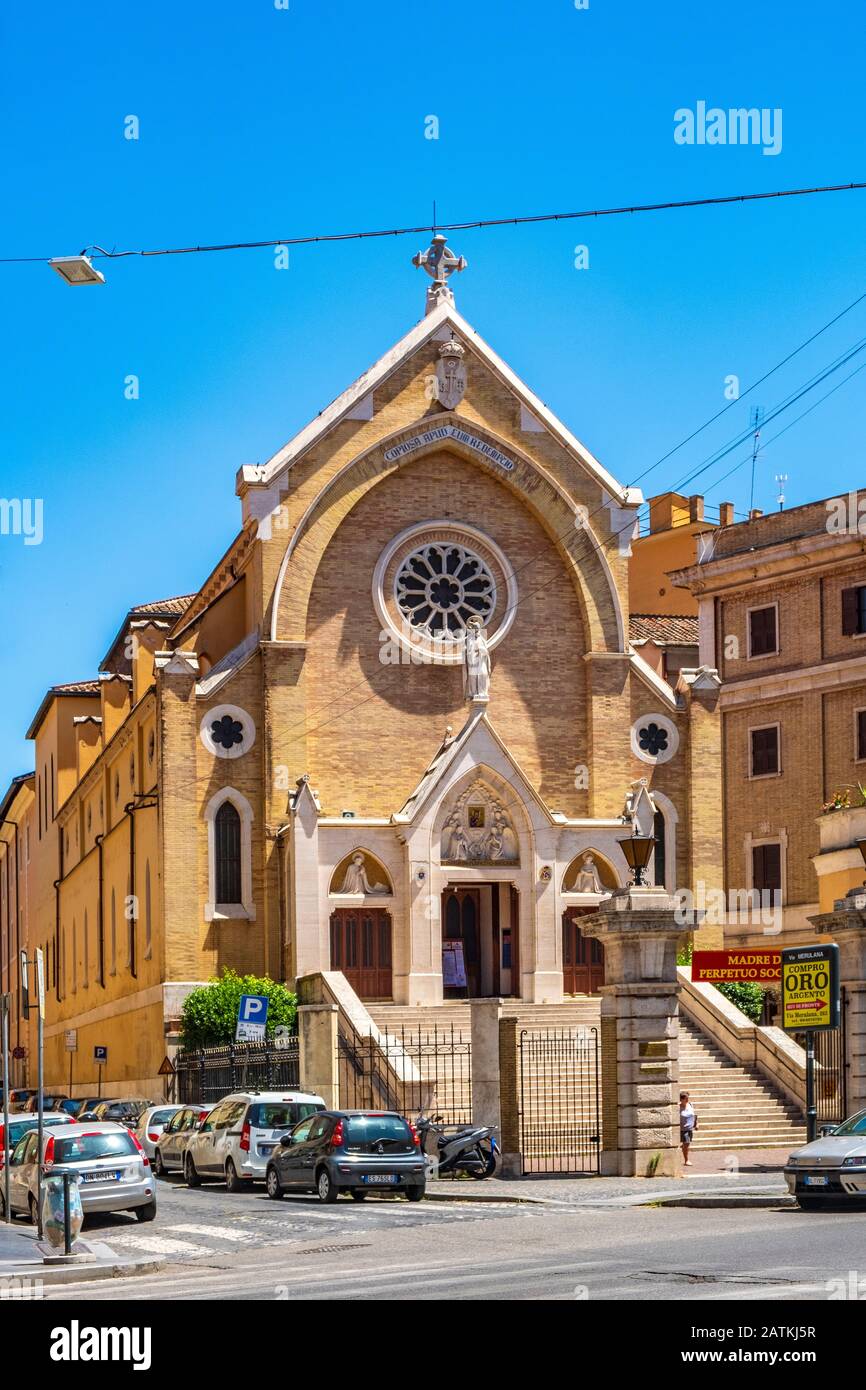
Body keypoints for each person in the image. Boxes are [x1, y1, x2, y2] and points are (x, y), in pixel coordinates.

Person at [679, 1091, 697, 1166]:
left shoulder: (690, 1104)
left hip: (690, 1129)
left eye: (687, 1098)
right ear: (681, 1099)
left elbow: (694, 1115)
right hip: (683, 1129)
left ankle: (683, 1148)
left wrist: (696, 1124)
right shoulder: (678, 1107)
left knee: (687, 1144)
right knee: (686, 1144)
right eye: (686, 1099)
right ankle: (686, 1160)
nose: (687, 1100)